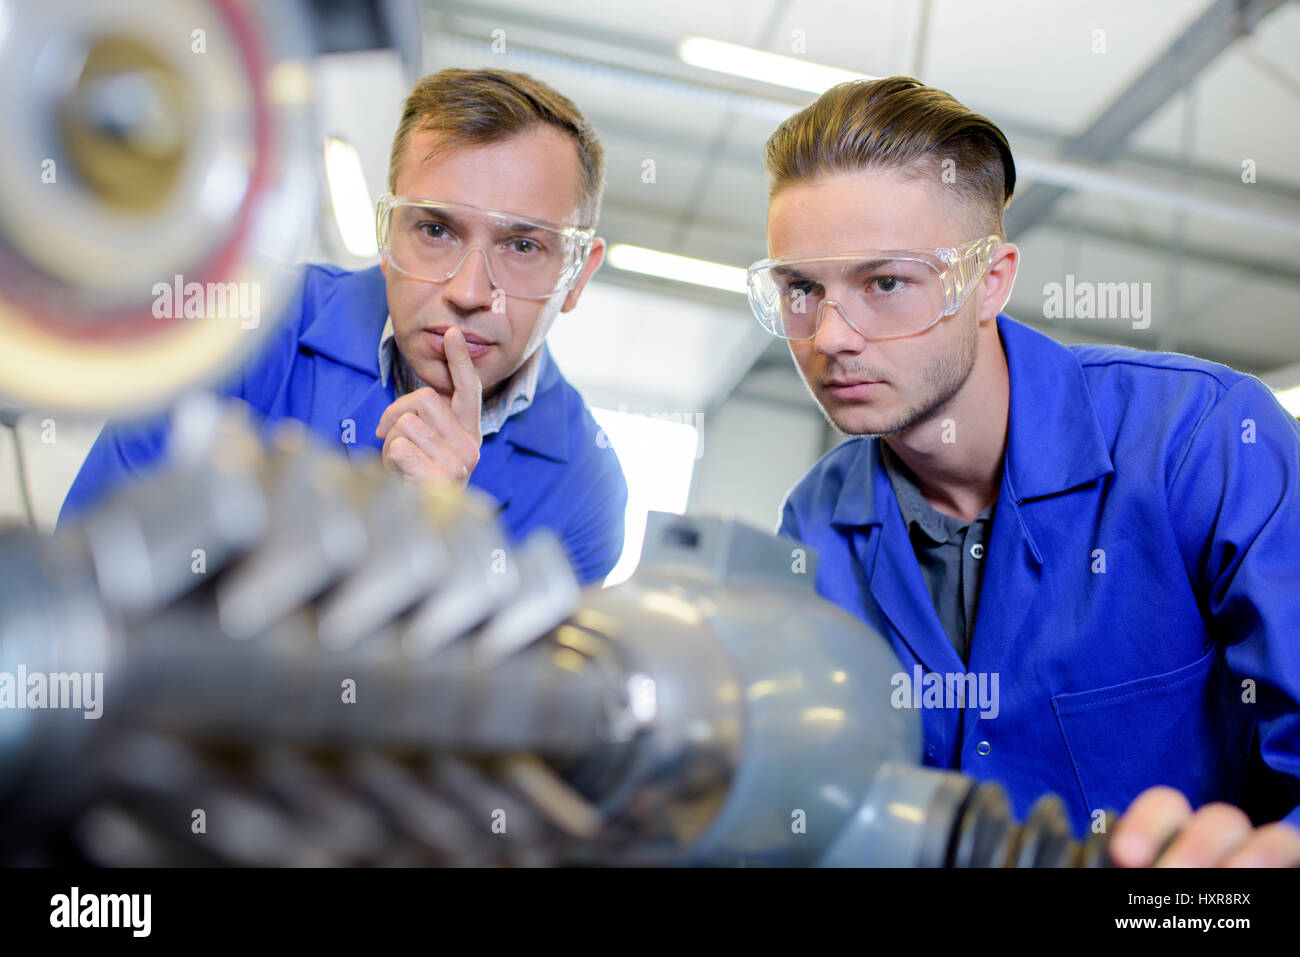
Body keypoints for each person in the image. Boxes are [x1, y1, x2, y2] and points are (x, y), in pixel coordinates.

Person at [754, 76, 1300, 866]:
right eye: (802, 288)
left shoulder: (1204, 444)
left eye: (885, 283)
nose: (831, 335)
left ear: (990, 282)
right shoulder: (816, 521)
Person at [58, 68, 627, 586]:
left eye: (523, 245)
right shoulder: (236, 328)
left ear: (578, 277)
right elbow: (75, 583)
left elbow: (497, 696)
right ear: (387, 234)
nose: (469, 292)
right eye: (434, 230)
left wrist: (435, 533)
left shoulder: (584, 490)